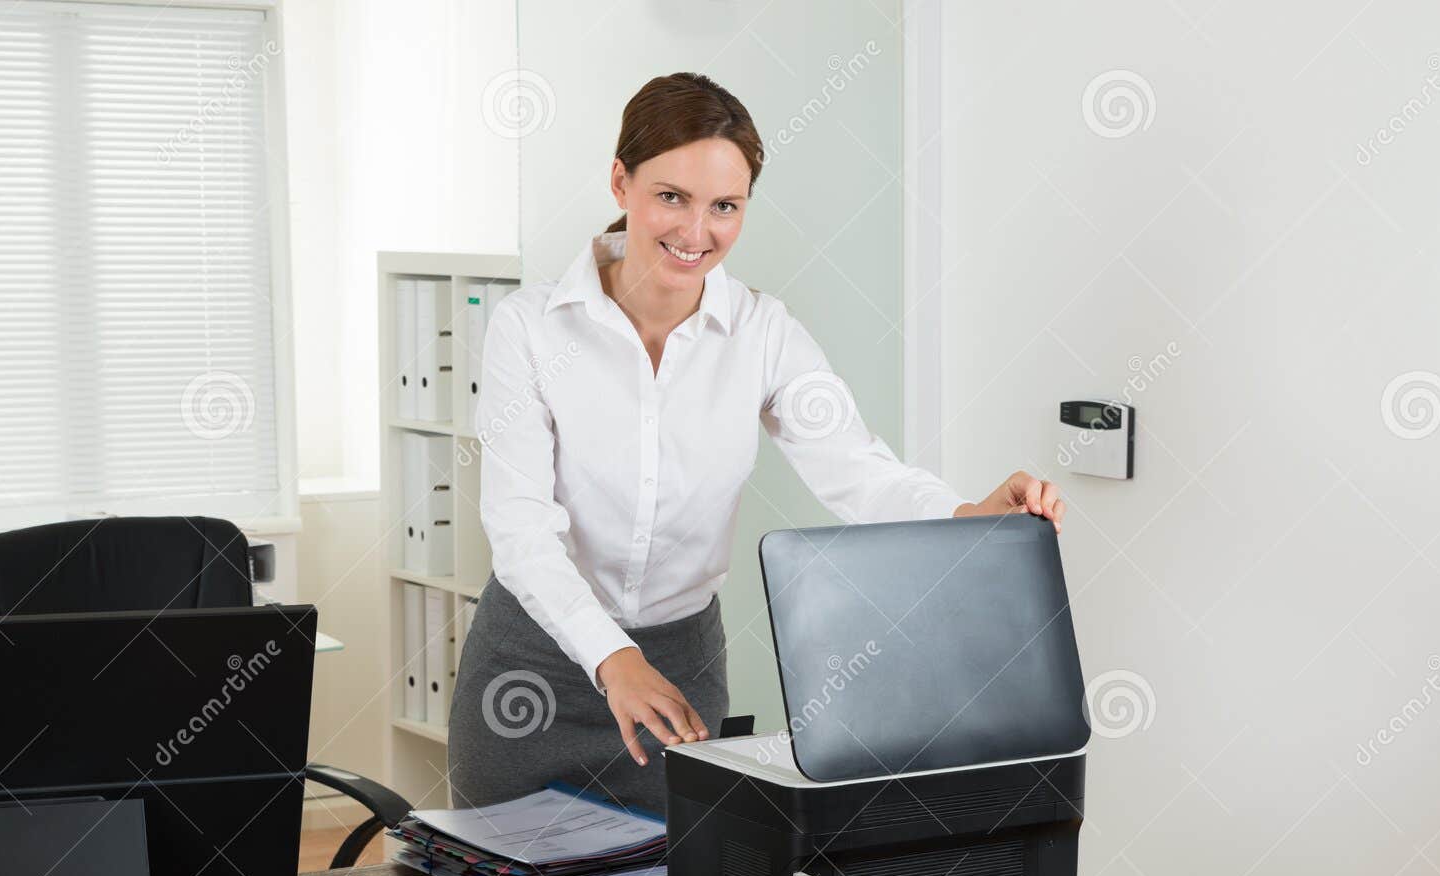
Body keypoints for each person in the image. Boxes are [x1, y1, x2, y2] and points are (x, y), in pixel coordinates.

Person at [447, 72, 1065, 815]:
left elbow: (857, 470)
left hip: (676, 680)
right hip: (531, 676)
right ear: (621, 181)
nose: (694, 232)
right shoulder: (531, 327)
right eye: (671, 196)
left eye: (724, 207)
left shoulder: (763, 334)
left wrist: (968, 516)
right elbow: (519, 530)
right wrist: (613, 658)